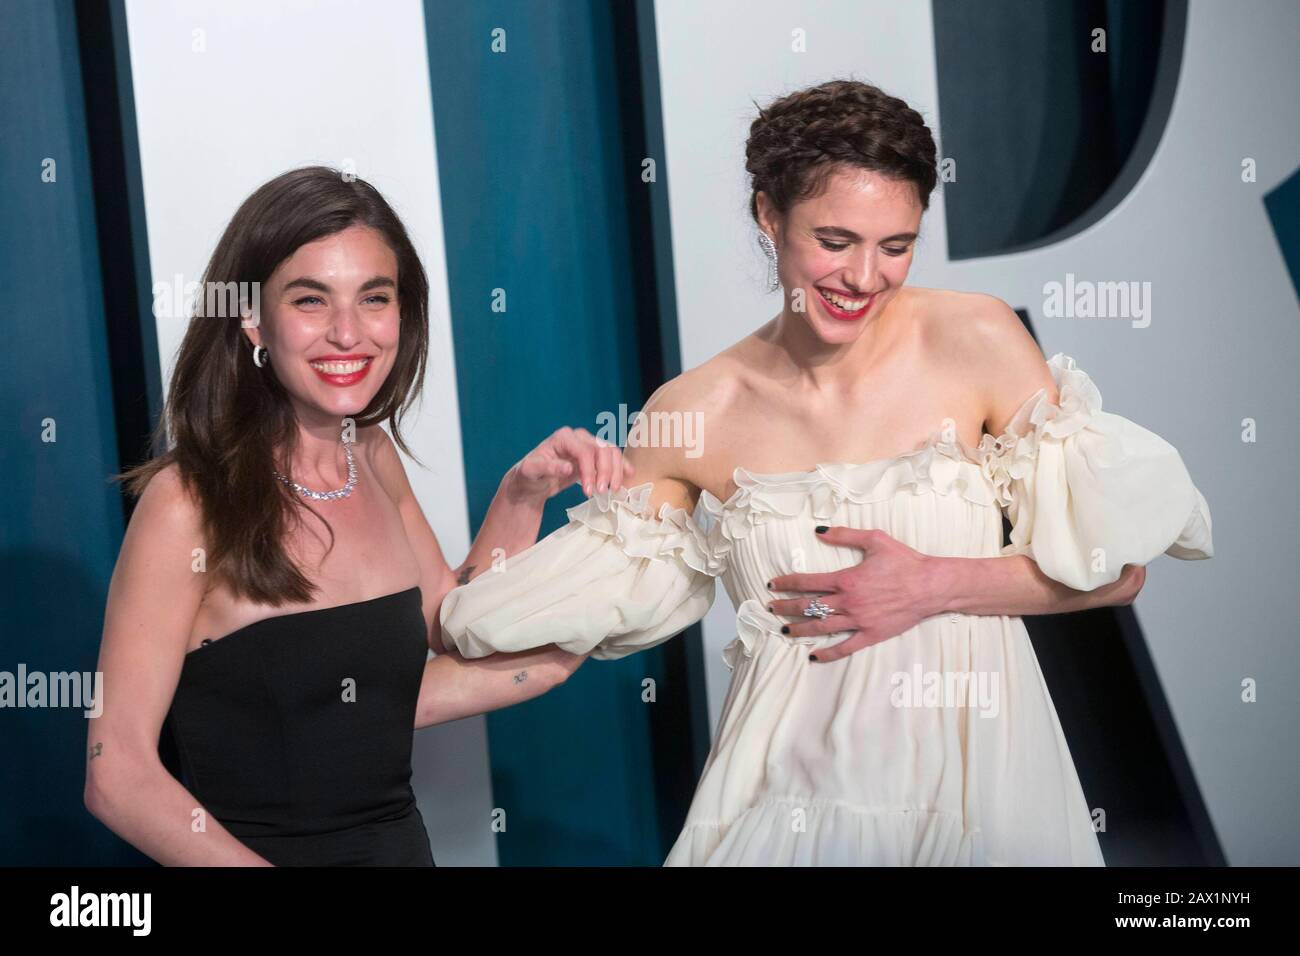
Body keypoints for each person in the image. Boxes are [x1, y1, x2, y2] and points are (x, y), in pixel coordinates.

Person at [439, 79, 1215, 865]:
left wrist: (933, 583)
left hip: (980, 791)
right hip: (785, 805)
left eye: (896, 245)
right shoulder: (694, 410)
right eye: (835, 241)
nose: (865, 277)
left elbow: (1117, 574)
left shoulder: (974, 338)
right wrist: (519, 494)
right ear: (768, 216)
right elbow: (505, 627)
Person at [83, 166, 629, 866]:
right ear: (252, 318)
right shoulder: (186, 503)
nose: (348, 334)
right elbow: (117, 773)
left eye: (375, 298)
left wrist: (521, 495)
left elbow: (454, 629)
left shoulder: (368, 453)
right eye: (310, 302)